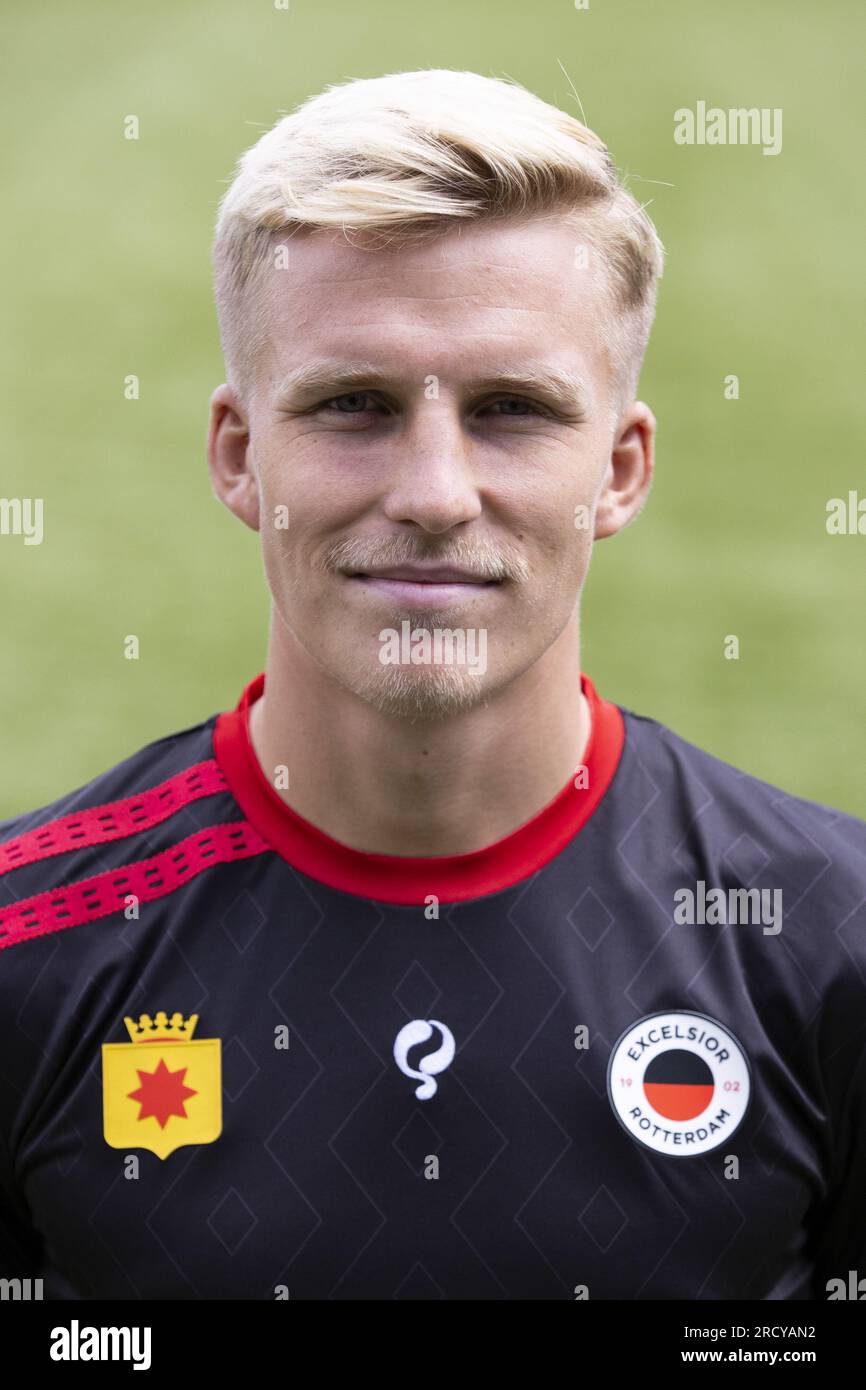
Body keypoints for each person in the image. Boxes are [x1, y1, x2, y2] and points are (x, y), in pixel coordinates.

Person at [1, 68, 863, 1301]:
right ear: (240, 455)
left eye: (512, 410)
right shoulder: (27, 950)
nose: (434, 495)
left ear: (618, 472)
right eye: (353, 405)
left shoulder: (830, 944)